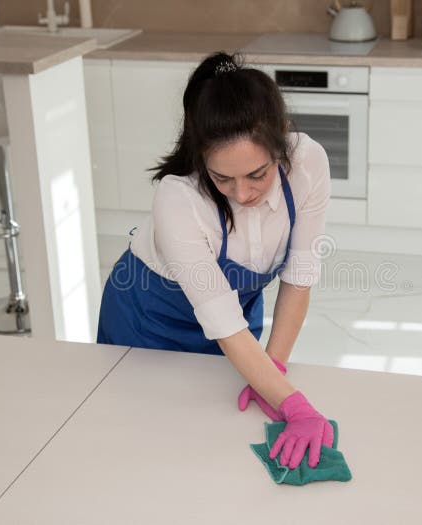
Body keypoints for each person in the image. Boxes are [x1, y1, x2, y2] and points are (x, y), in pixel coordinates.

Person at [97, 52, 334, 469]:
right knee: (142, 444)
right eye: (222, 178)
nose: (241, 194)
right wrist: (296, 405)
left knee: (219, 444)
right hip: (149, 321)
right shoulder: (178, 197)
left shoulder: (308, 164)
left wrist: (273, 373)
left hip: (234, 321)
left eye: (257, 174)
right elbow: (221, 320)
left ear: (282, 137)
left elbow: (298, 278)